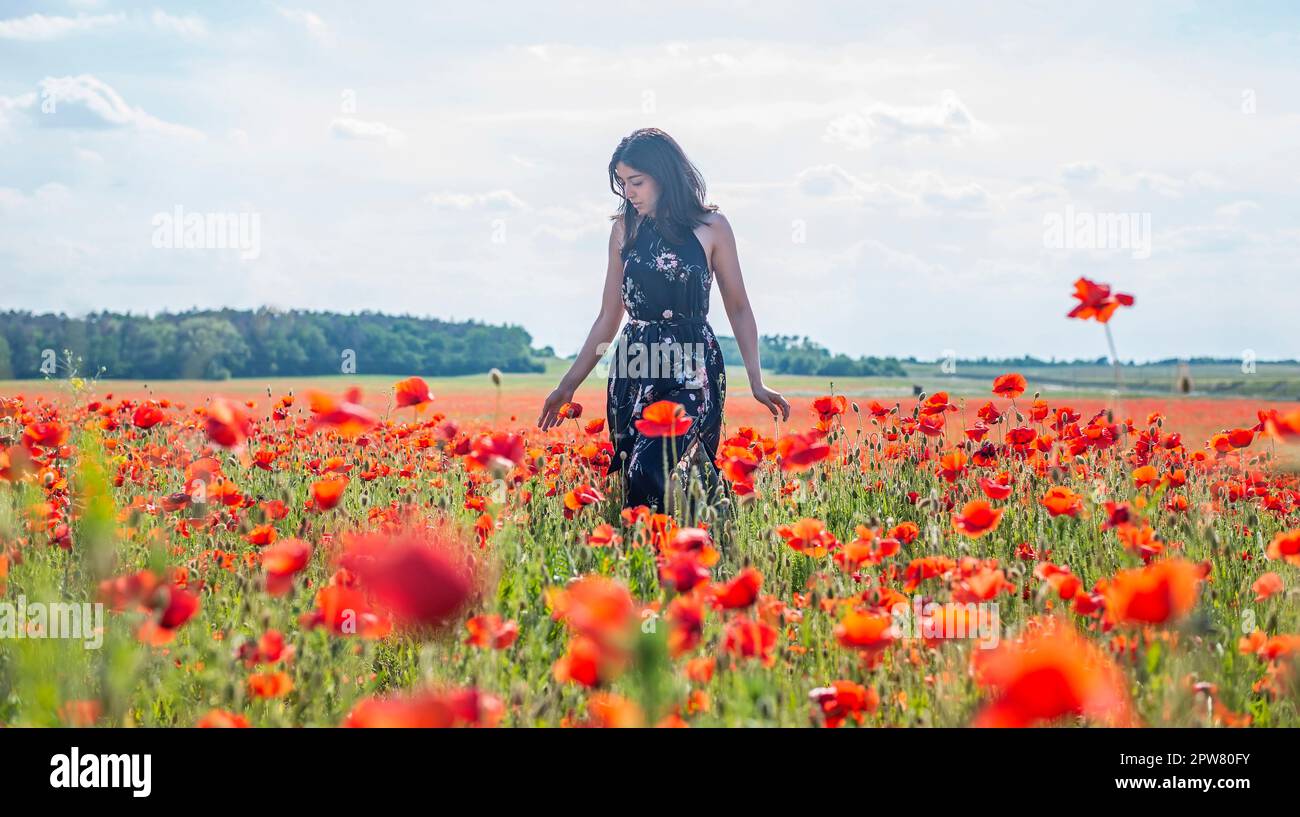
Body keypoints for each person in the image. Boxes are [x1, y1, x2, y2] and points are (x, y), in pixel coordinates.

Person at [537, 127, 790, 512]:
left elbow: (738, 307)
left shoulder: (711, 227)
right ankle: (679, 552)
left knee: (650, 467)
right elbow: (609, 315)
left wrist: (756, 380)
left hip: (692, 364)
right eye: (622, 183)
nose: (628, 192)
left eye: (636, 181)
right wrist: (567, 385)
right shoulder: (624, 229)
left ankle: (694, 547)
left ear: (664, 176)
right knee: (645, 478)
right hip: (635, 365)